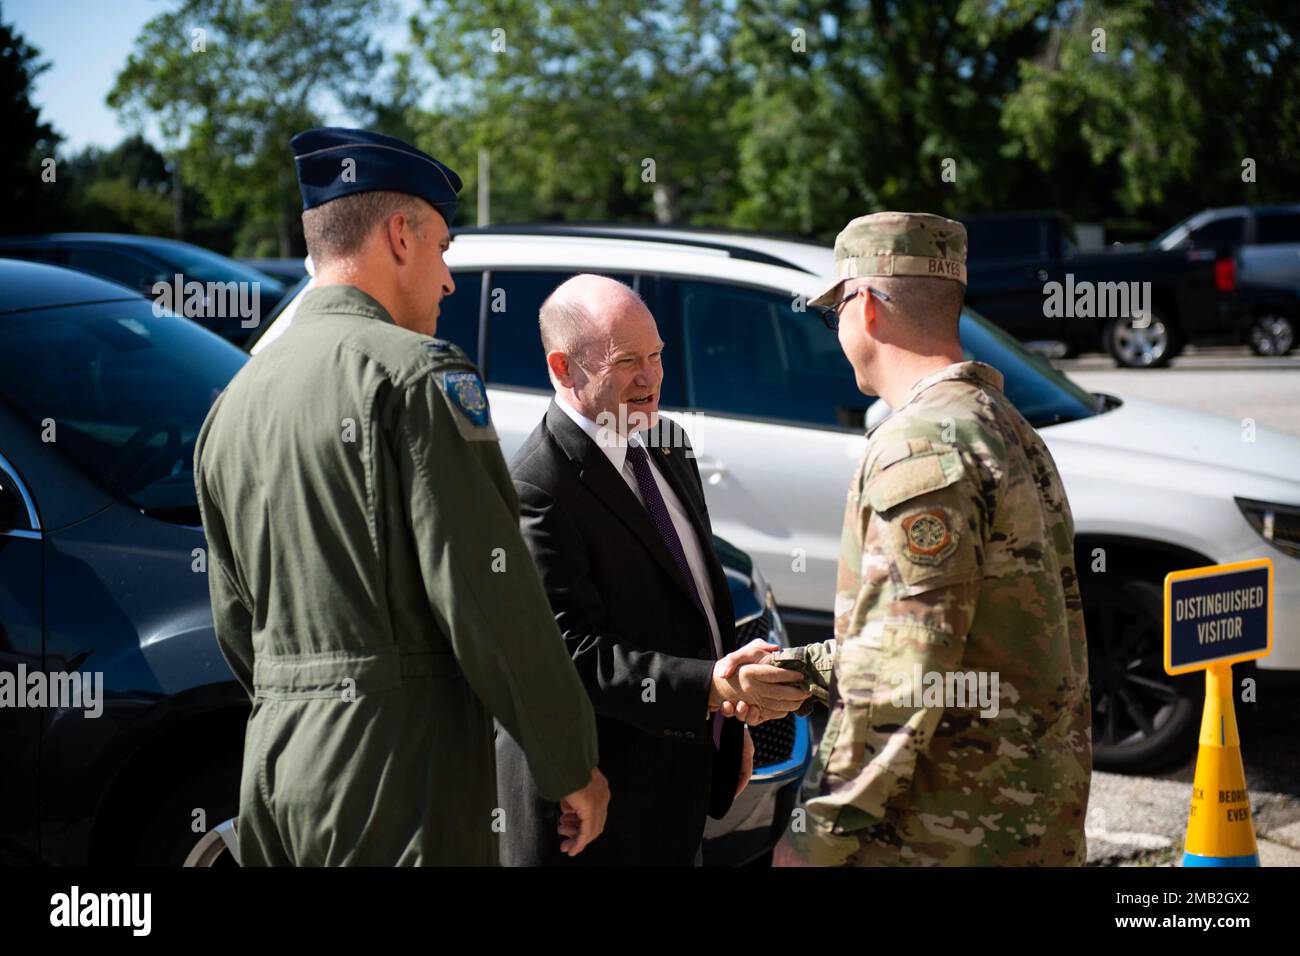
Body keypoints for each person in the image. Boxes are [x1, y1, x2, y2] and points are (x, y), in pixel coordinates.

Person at [194, 127, 608, 866]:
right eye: (444, 248)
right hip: (394, 776)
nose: (449, 279)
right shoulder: (419, 375)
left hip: (276, 770)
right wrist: (568, 761)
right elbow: (489, 594)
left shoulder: (232, 400)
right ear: (398, 235)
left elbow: (234, 623)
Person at [750, 212, 1091, 866]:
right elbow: (977, 631)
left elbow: (903, 672)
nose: (839, 332)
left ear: (868, 308)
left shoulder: (919, 443)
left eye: (836, 313)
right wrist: (798, 672)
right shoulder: (1009, 427)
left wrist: (817, 834)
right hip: (1026, 825)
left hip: (938, 836)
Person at [494, 274, 809, 865]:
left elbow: (696, 602)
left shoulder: (668, 442)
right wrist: (710, 688)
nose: (651, 376)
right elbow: (573, 654)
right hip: (595, 809)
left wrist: (726, 727)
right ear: (565, 369)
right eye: (627, 361)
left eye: (658, 355)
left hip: (678, 785)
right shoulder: (538, 485)